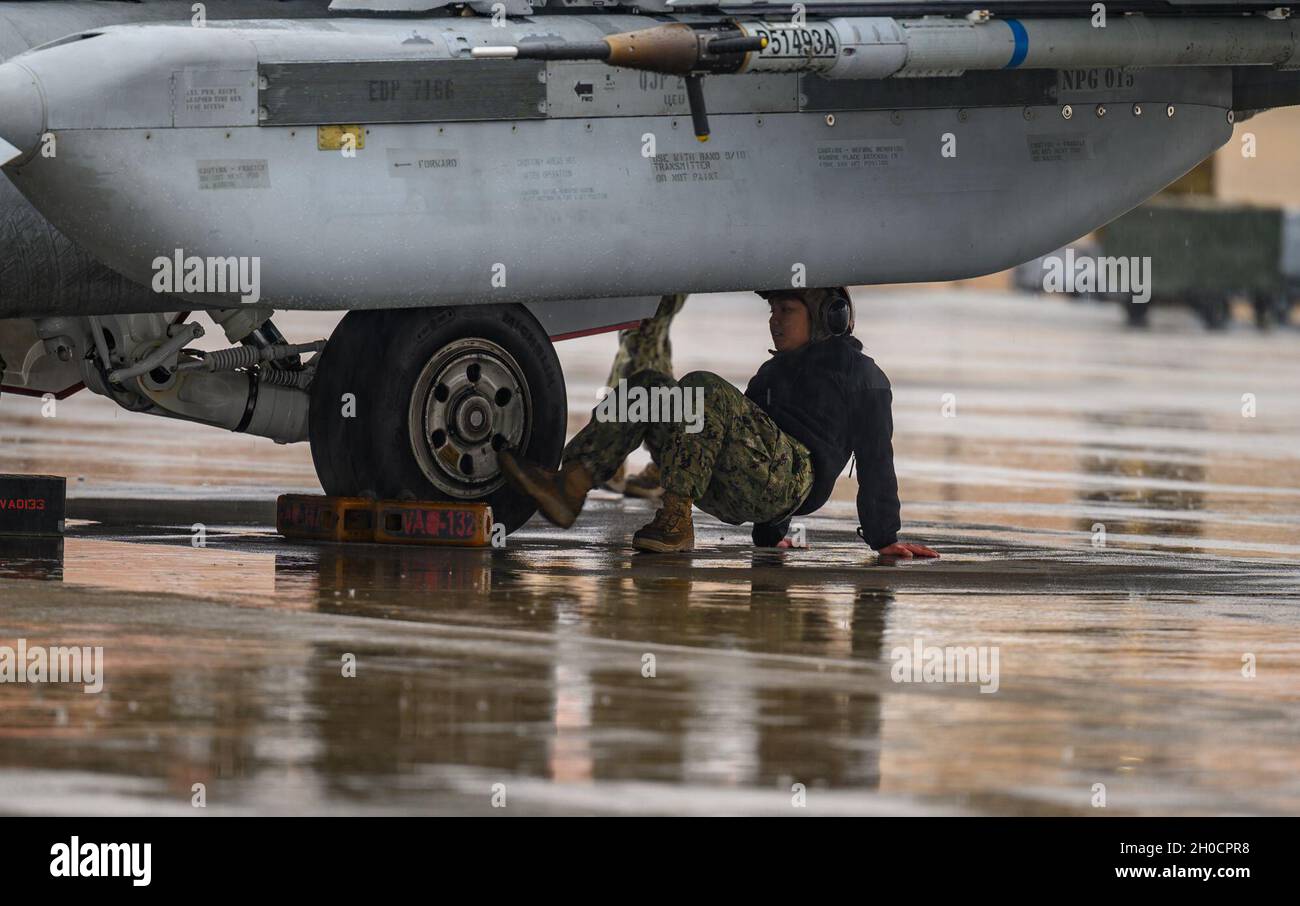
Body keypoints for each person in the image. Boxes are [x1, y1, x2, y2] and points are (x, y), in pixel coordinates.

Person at [499, 287, 938, 559]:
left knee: (703, 388)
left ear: (828, 317)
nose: (774, 320)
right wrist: (770, 537)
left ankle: (675, 521)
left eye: (786, 310)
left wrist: (885, 538)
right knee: (647, 385)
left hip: (791, 481)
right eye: (774, 311)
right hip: (744, 485)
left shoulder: (861, 376)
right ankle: (571, 484)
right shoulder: (772, 373)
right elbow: (735, 441)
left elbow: (877, 459)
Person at [600, 293, 686, 498]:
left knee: (641, 334)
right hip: (665, 264)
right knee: (649, 335)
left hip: (660, 265)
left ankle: (611, 453)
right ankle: (668, 463)